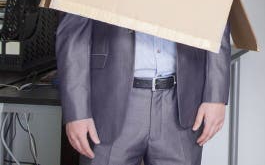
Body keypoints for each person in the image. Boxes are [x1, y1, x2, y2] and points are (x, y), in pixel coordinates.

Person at [56, 14, 231, 165]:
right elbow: (73, 35)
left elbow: (217, 16)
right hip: (110, 105)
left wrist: (216, 96)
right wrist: (77, 112)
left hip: (180, 105)